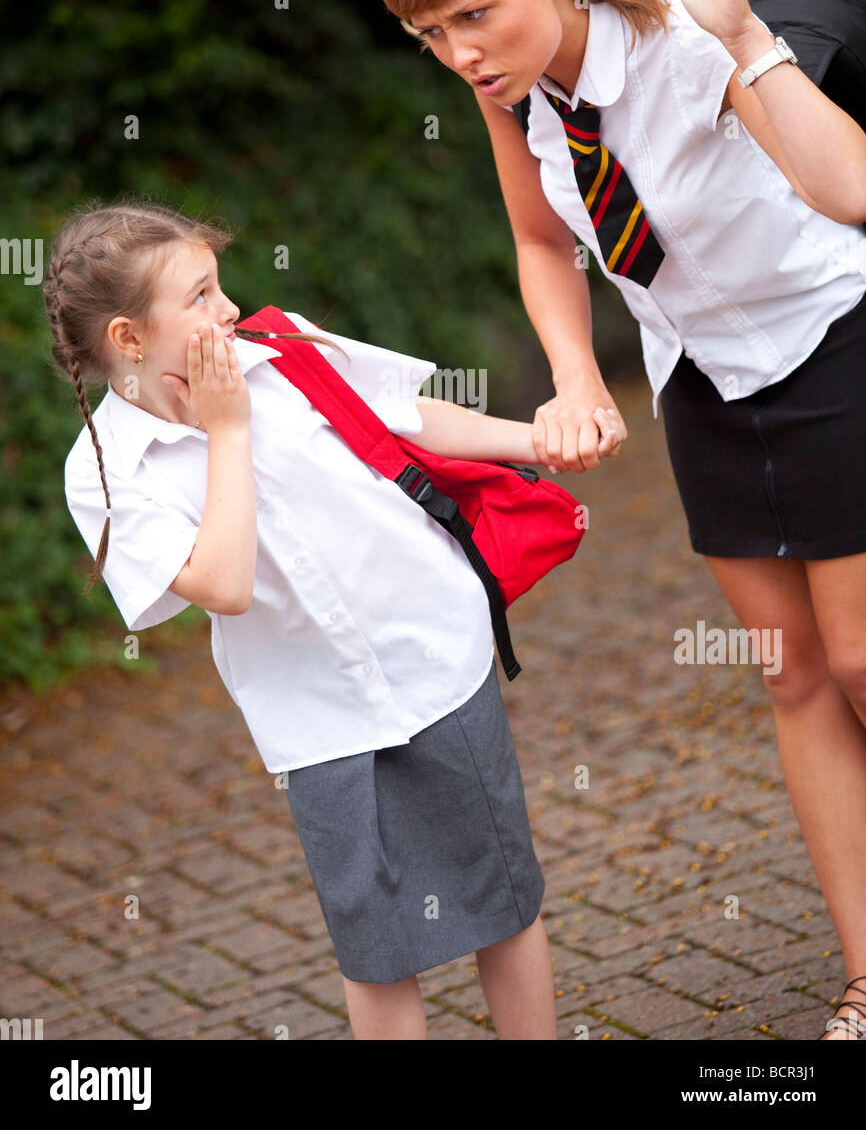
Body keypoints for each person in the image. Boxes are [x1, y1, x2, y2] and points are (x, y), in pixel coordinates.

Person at [374, 0, 866, 1040]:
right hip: (703, 389)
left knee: (857, 665)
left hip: (833, 341)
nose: (461, 53)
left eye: (474, 16)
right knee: (791, 676)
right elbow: (545, 244)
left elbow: (846, 185)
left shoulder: (685, 32)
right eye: (429, 34)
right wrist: (577, 374)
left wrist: (741, 31)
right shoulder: (512, 93)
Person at [47, 199, 617, 1040]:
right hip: (317, 723)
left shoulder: (280, 347)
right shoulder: (107, 472)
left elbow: (409, 418)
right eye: (201, 296)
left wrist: (537, 440)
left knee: (503, 895)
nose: (228, 307)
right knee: (377, 948)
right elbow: (225, 584)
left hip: (433, 656)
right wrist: (227, 430)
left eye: (218, 284)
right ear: (131, 341)